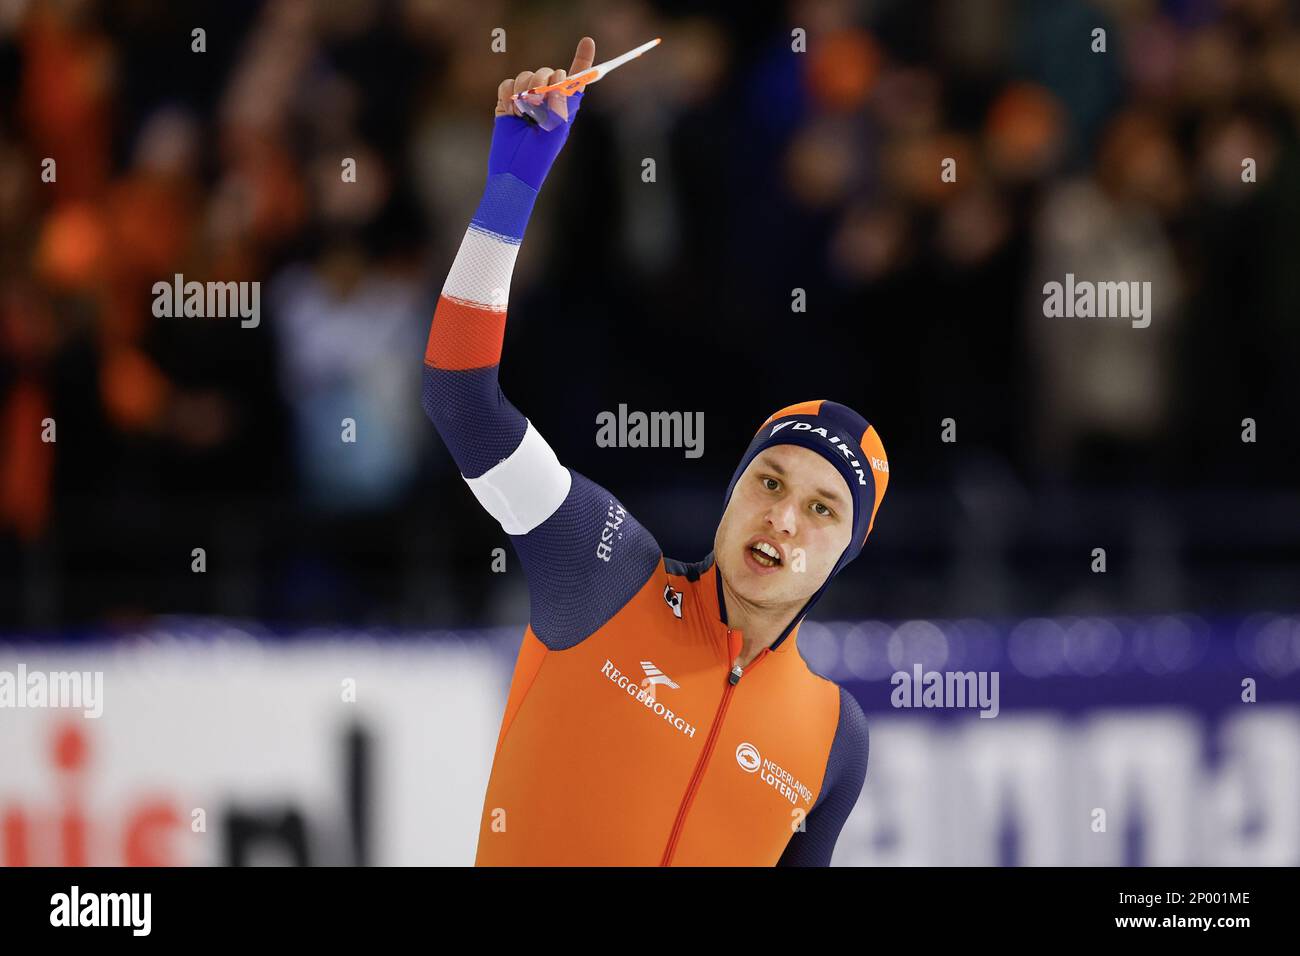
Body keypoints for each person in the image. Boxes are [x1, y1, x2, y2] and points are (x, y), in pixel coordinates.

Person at [421, 37, 890, 866]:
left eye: (823, 510)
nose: (782, 517)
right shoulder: (603, 568)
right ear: (732, 491)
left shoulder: (834, 741)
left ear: (846, 552)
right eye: (769, 480)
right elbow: (462, 400)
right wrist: (511, 188)